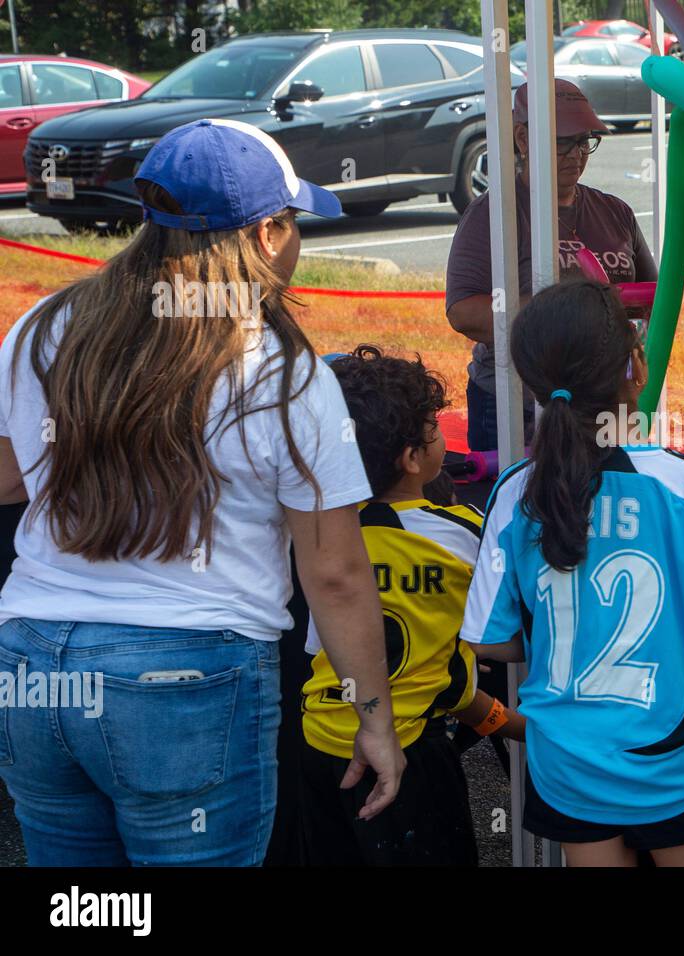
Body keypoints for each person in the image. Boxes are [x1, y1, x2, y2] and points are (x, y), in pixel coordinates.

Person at [0, 119, 405, 866]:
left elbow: (9, 474)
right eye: (293, 227)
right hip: (184, 678)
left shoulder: (45, 325)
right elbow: (337, 575)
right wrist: (374, 719)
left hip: (32, 661)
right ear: (265, 233)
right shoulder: (284, 373)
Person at [460, 280, 684, 867]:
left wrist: (559, 635)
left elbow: (486, 639)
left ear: (532, 385)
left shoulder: (512, 494)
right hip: (672, 760)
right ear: (636, 366)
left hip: (567, 763)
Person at [298, 345, 524, 866]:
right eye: (435, 429)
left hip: (319, 742)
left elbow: (320, 646)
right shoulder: (463, 533)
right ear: (413, 458)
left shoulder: (320, 536)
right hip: (408, 751)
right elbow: (501, 636)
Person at [445, 80, 658, 452]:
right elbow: (463, 313)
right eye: (563, 142)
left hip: (603, 402)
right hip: (515, 405)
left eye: (585, 140)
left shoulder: (616, 212)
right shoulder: (494, 214)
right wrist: (563, 308)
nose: (577, 154)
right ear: (524, 139)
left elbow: (655, 301)